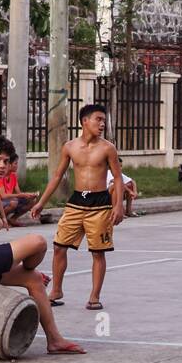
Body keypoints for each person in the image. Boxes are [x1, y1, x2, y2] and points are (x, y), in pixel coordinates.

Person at [0, 135, 82, 355]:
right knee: (38, 242)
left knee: (33, 281)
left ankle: (54, 340)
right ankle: (31, 269)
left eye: (5, 160)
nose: (2, 165)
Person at [29, 103, 125, 311]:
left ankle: (94, 296)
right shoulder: (70, 147)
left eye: (103, 120)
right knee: (58, 246)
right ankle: (56, 290)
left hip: (100, 204)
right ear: (85, 121)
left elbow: (118, 178)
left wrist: (119, 205)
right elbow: (57, 176)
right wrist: (41, 202)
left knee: (98, 252)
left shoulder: (108, 148)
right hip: (76, 202)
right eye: (98, 119)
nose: (102, 124)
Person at [0, 152, 39, 225]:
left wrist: (28, 195)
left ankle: (13, 219)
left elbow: (18, 193)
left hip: (9, 201)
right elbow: (3, 196)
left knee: (32, 200)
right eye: (15, 163)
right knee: (13, 202)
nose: (17, 166)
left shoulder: (13, 176)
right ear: (9, 165)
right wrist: (22, 195)